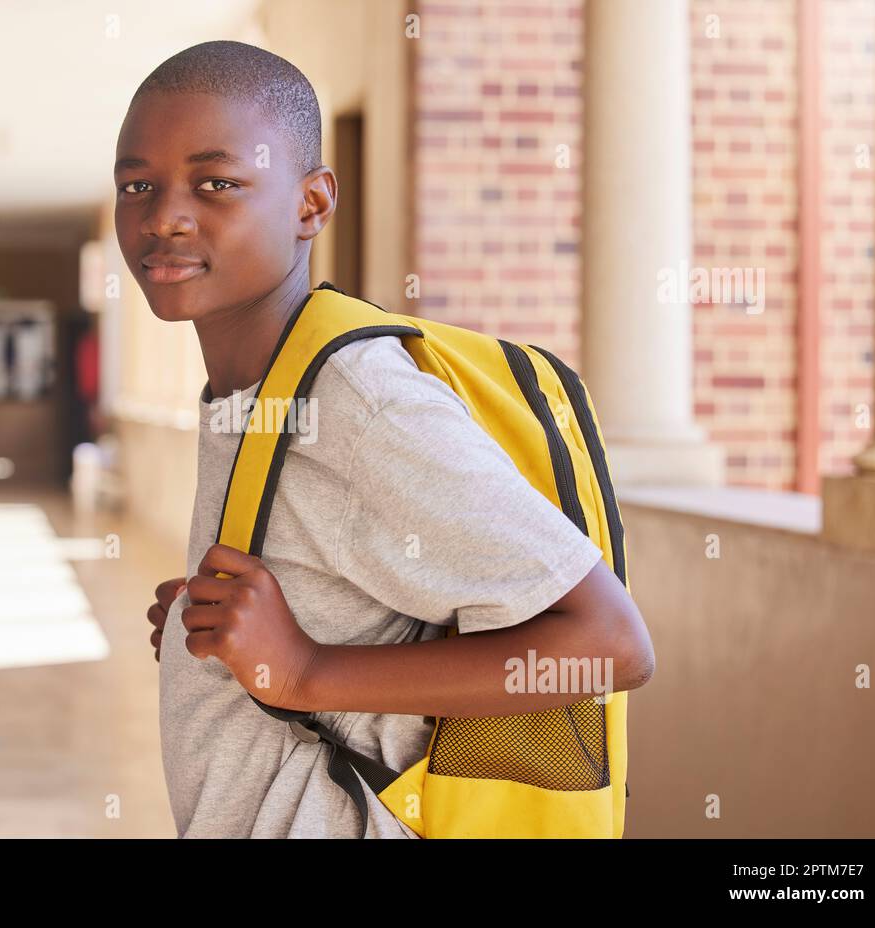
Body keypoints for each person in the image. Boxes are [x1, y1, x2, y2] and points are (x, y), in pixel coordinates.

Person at [115, 40, 654, 838]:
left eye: (217, 182)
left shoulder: (360, 401)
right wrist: (221, 628)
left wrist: (305, 669)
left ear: (311, 204)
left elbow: (610, 644)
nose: (165, 215)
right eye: (138, 185)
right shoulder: (251, 386)